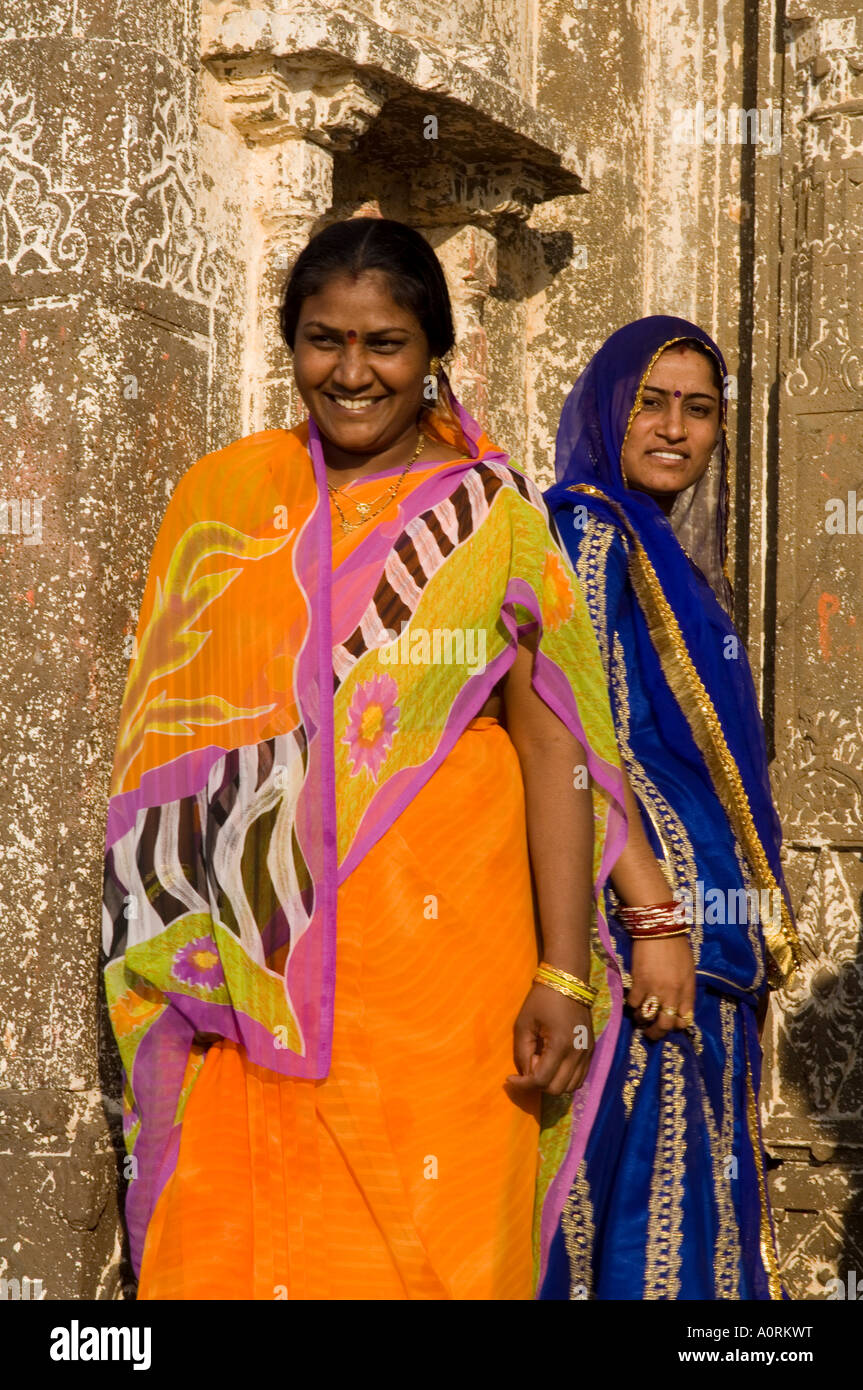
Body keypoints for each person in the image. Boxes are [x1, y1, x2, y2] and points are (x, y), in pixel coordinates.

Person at [102, 217, 648, 1300]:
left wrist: (562, 972)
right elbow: (166, 742)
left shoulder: (490, 518)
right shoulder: (220, 499)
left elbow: (556, 749)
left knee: (433, 1251)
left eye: (384, 343)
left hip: (448, 977)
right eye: (322, 339)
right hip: (248, 975)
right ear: (290, 343)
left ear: (431, 351)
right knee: (232, 1239)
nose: (350, 372)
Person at [538, 315, 802, 1300]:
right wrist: (647, 914)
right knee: (636, 1204)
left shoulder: (673, 565)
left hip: (705, 937)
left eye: (697, 409)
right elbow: (574, 732)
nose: (673, 427)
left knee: (684, 1203)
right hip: (642, 934)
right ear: (609, 407)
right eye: (649, 401)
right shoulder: (587, 530)